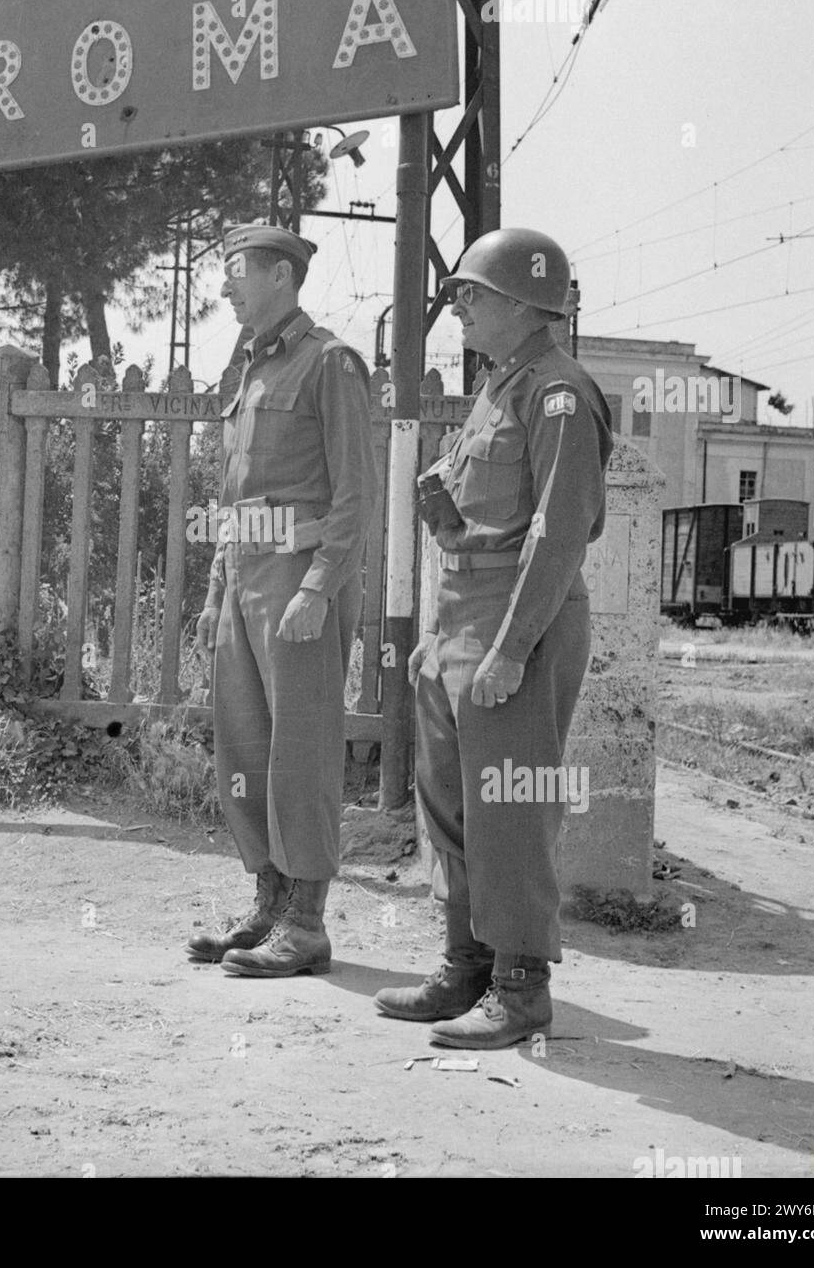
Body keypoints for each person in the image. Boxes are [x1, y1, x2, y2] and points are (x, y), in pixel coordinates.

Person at [373, 227, 612, 1047]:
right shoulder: (497, 389)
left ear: (517, 304)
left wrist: (510, 648)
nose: (459, 311)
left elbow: (557, 532)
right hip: (463, 620)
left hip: (521, 621)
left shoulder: (559, 395)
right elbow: (473, 528)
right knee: (449, 805)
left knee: (509, 807)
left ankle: (520, 991)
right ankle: (464, 965)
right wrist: (437, 637)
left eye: (470, 297)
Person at [188, 224, 378, 978]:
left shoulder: (329, 364)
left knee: (301, 752)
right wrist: (212, 592)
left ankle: (307, 924)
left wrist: (317, 585)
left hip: (297, 580)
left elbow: (355, 495)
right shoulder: (250, 370)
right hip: (243, 578)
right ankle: (268, 902)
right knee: (247, 748)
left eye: (237, 272)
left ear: (280, 275)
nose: (227, 286)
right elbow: (234, 497)